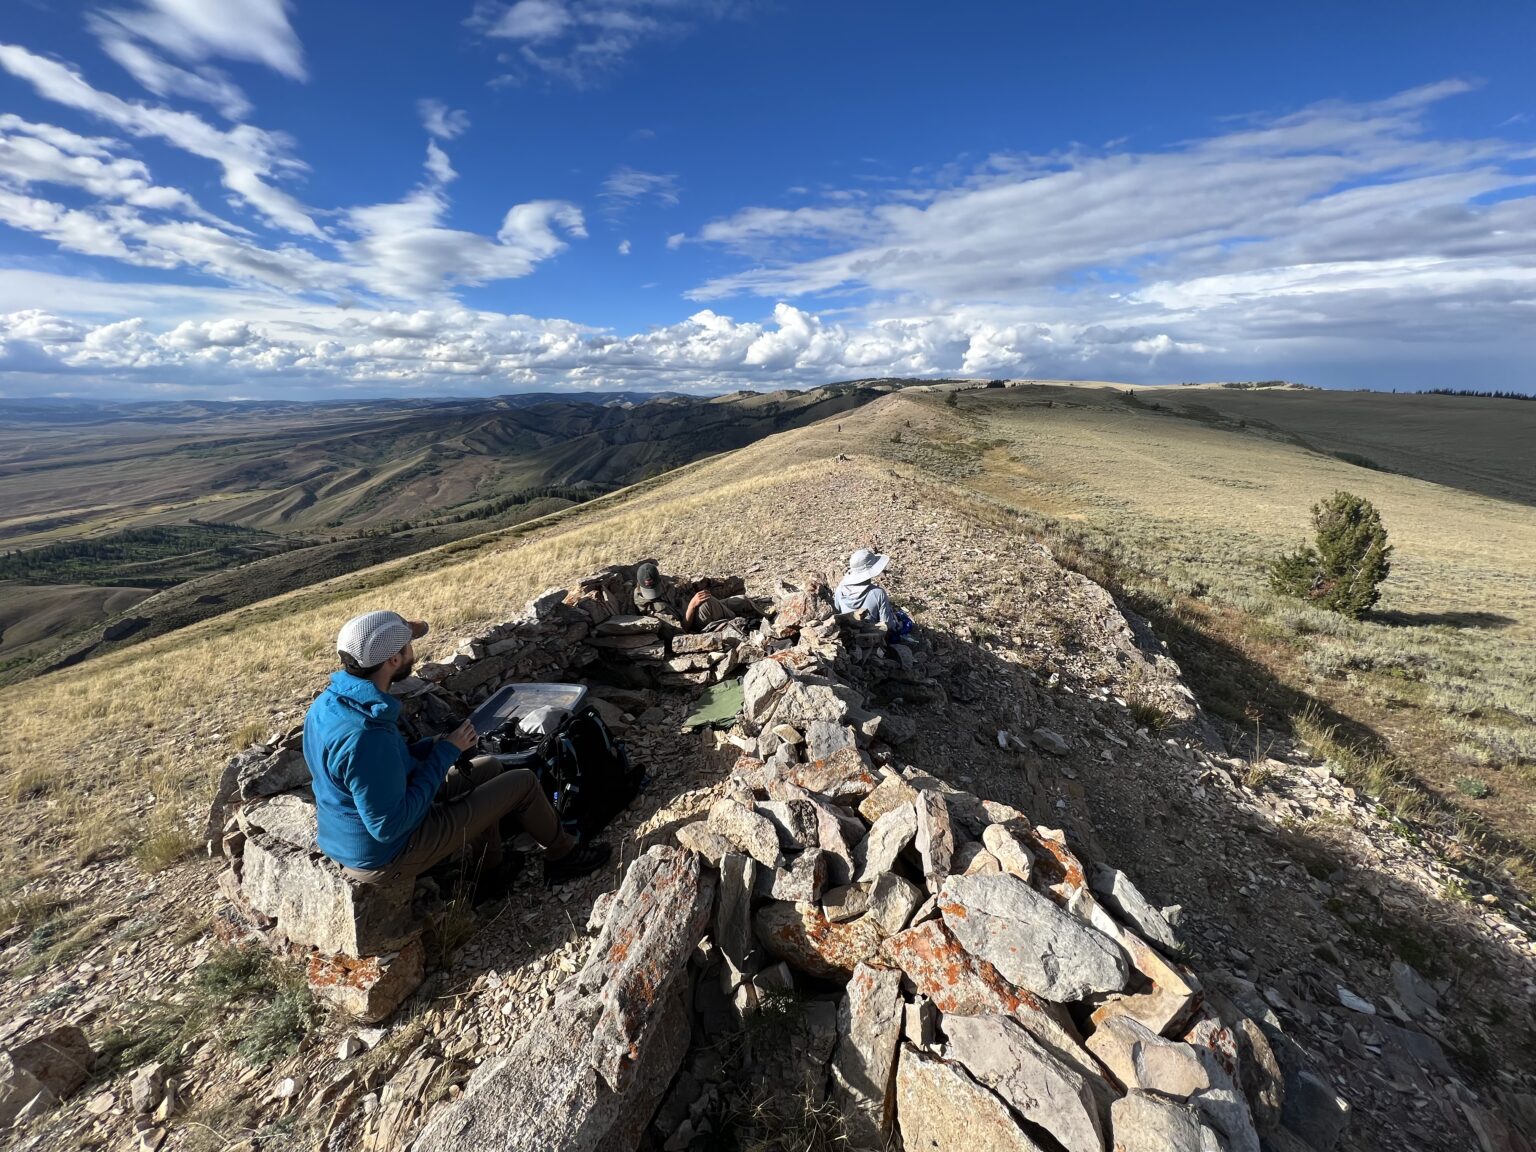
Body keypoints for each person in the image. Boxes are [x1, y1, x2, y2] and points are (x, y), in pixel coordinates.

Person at [303, 610, 610, 896]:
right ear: (394, 660)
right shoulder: (366, 735)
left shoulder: (333, 704)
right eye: (408, 645)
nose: (413, 650)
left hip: (360, 833)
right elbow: (388, 826)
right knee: (523, 783)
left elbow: (377, 770)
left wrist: (433, 747)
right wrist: (446, 752)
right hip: (386, 854)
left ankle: (490, 871)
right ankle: (564, 856)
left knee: (488, 766)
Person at [634, 561, 758, 634]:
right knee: (708, 603)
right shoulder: (652, 608)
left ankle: (765, 620)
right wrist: (693, 605)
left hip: (698, 611)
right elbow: (681, 631)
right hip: (692, 624)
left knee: (742, 600)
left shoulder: (664, 583)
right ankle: (742, 623)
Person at [834, 548, 913, 642]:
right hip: (871, 638)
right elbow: (887, 624)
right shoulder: (877, 593)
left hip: (847, 636)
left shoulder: (839, 589)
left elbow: (837, 613)